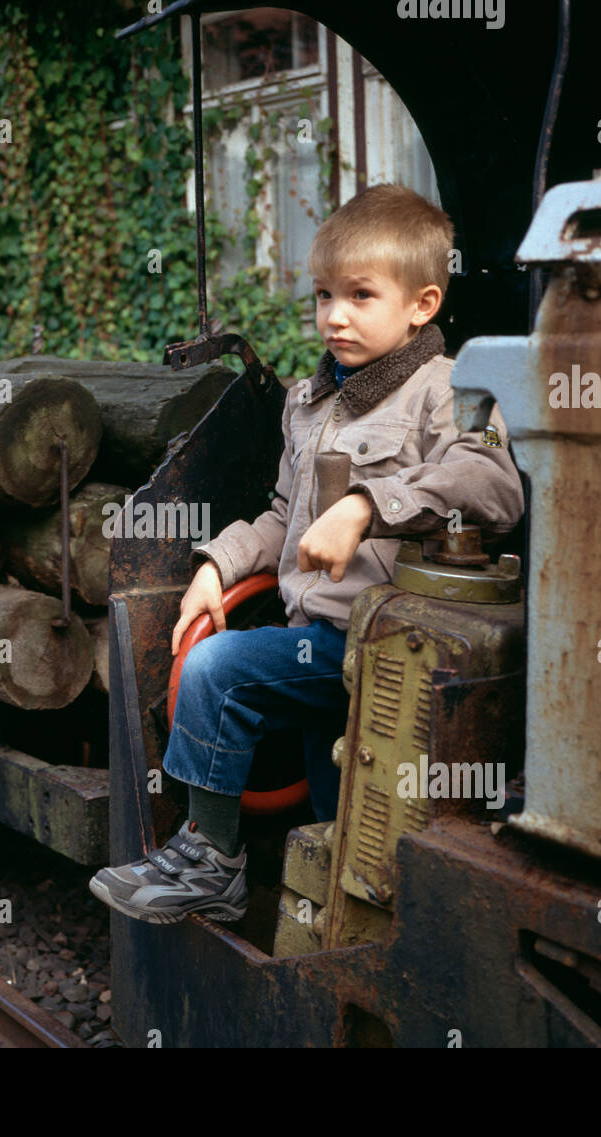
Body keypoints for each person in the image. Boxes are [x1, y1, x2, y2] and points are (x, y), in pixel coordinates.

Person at [89, 183, 525, 925]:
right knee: (338, 829)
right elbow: (283, 515)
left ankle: (213, 859)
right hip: (313, 642)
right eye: (324, 295)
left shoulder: (448, 392)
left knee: (216, 671)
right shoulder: (309, 402)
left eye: (361, 294)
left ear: (422, 304)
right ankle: (326, 936)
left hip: (381, 643)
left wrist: (366, 505)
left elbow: (493, 486)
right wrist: (215, 566)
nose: (335, 315)